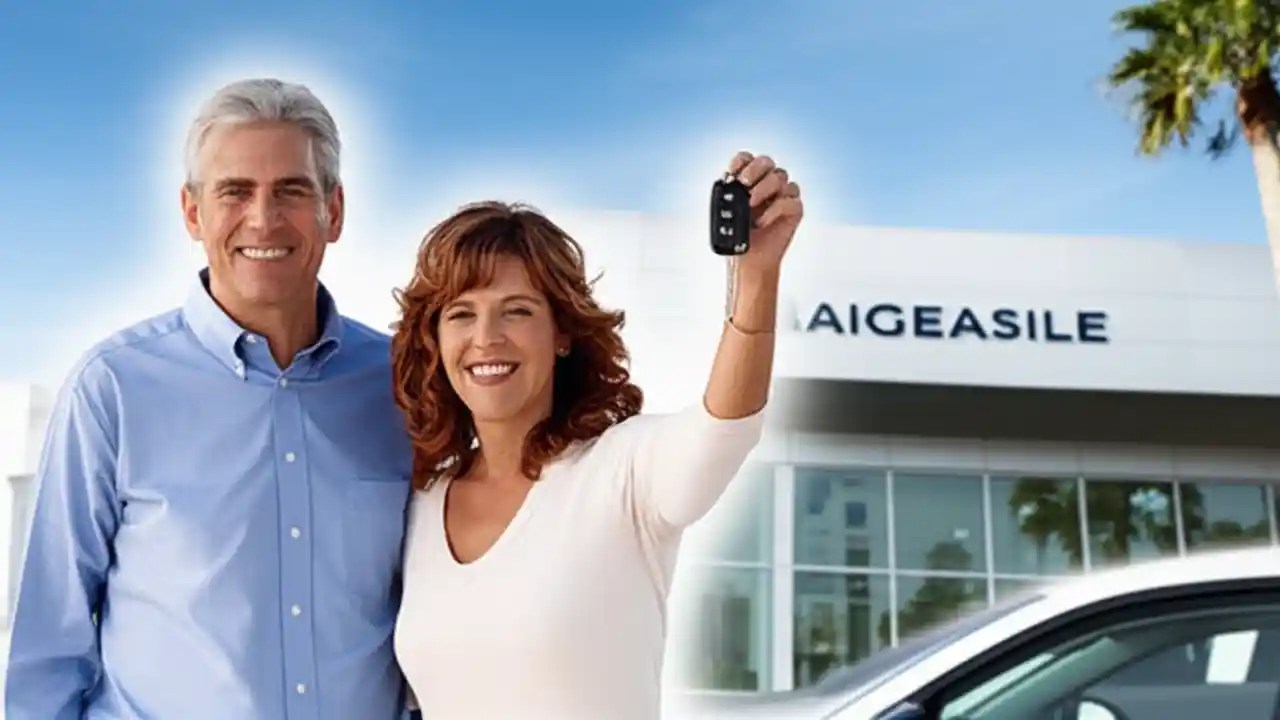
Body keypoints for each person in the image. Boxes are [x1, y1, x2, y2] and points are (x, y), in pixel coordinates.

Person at [6, 78, 417, 720]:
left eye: (292, 190)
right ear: (192, 212)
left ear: (334, 211)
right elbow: (47, 654)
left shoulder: (403, 385)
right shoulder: (113, 387)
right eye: (235, 191)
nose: (263, 218)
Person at [389, 150, 803, 719]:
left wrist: (756, 276)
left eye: (517, 311)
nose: (487, 337)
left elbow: (725, 429)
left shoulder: (623, 470)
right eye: (461, 314)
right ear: (435, 339)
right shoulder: (421, 503)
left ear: (562, 333)